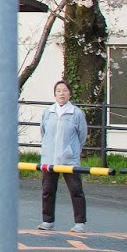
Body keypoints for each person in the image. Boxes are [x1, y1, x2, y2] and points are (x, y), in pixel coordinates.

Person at [39, 80, 89, 233]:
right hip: (49, 158)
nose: (62, 93)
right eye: (59, 91)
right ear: (55, 94)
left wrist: (72, 150)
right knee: (47, 190)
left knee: (76, 190)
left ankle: (80, 222)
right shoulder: (48, 112)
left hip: (69, 159)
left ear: (70, 93)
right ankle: (47, 221)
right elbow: (43, 133)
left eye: (65, 90)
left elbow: (82, 135)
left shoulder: (76, 113)